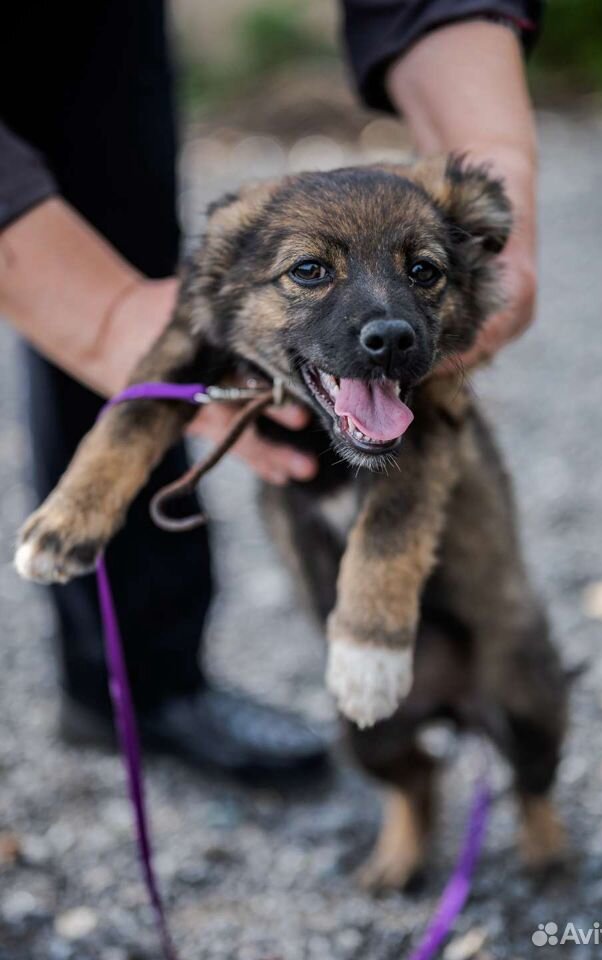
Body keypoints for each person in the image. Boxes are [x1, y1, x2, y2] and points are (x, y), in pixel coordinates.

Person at [0, 1, 540, 784]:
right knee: (128, 344)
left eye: (421, 271)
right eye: (310, 272)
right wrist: (106, 319)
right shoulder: (227, 274)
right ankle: (116, 681)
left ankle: (153, 682)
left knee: (117, 181)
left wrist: (498, 158)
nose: (384, 325)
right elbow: (154, 382)